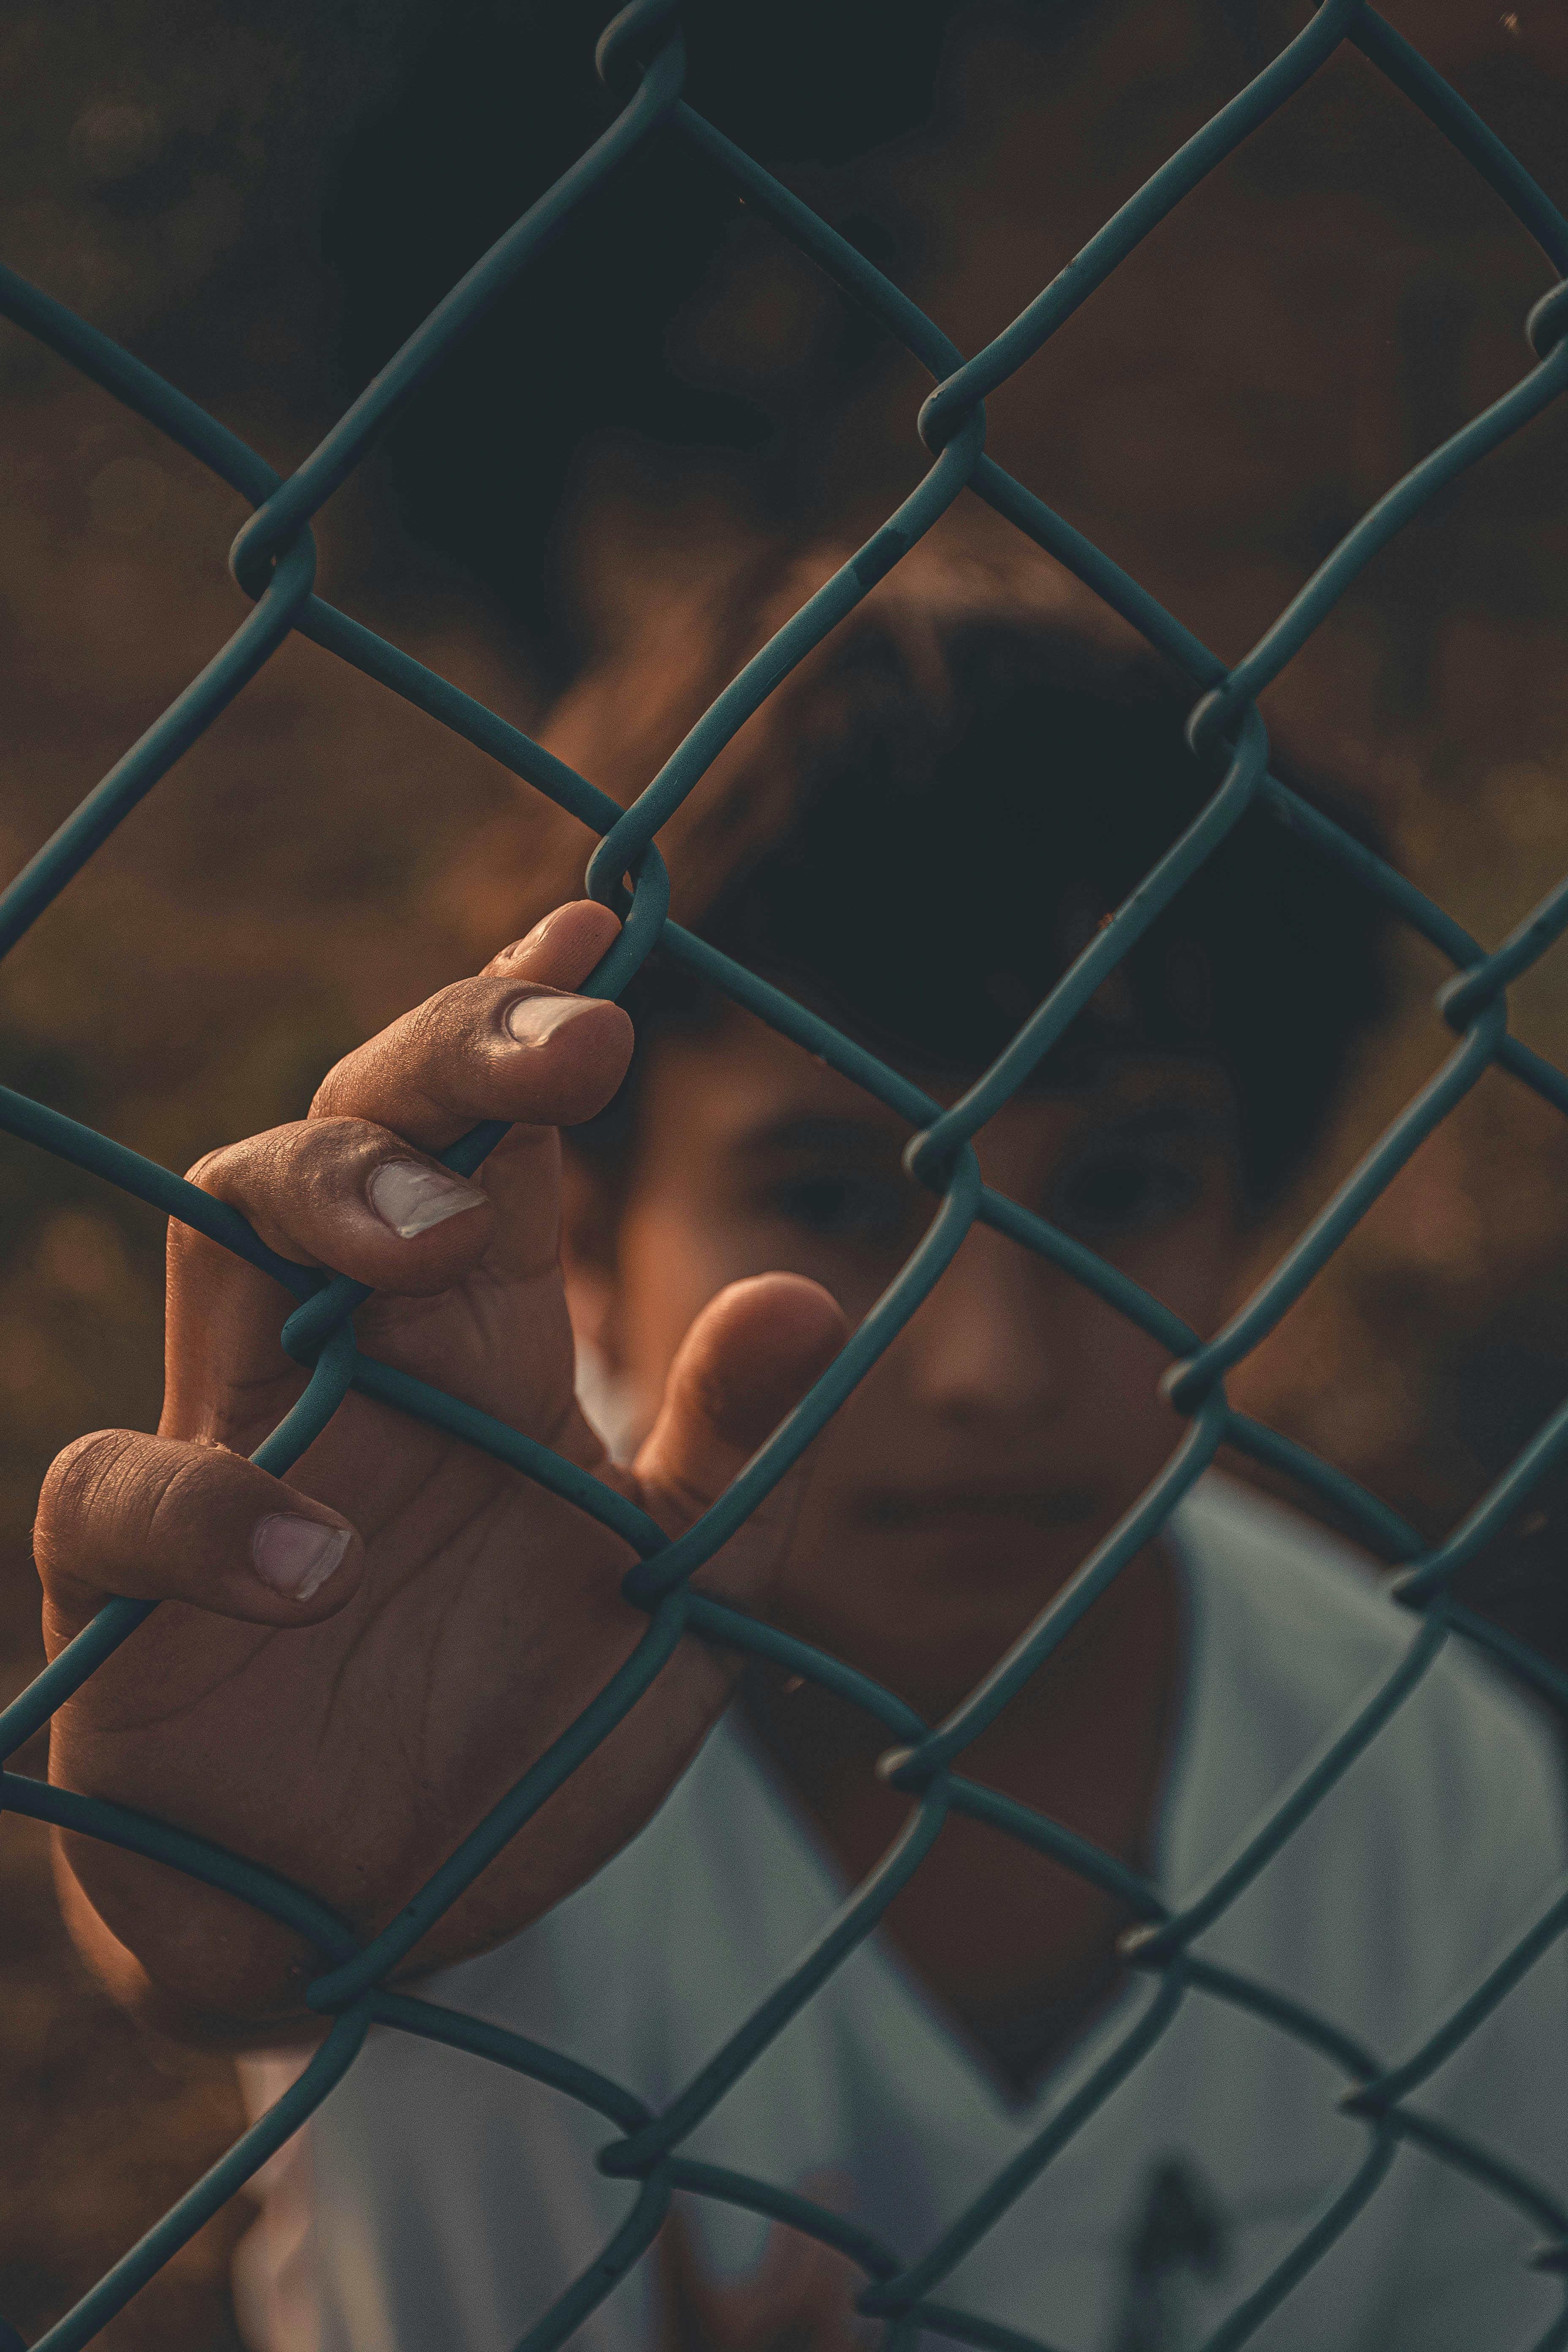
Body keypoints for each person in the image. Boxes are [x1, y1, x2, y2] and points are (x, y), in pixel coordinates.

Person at [32, 550, 1568, 2352]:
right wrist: (242, 1935)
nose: (990, 1363)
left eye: (1126, 1187)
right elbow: (252, 1922)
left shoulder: (1421, 1779)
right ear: (590, 1237)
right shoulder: (451, 1677)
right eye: (840, 1195)